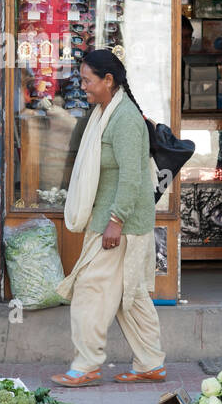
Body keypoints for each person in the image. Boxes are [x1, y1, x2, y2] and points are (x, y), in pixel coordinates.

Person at [50, 50, 166, 387]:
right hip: (116, 219)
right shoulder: (105, 113)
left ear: (109, 80)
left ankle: (86, 365)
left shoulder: (125, 119)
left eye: (87, 80)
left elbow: (133, 177)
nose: (82, 86)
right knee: (130, 298)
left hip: (120, 223)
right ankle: (150, 363)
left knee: (90, 290)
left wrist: (115, 221)